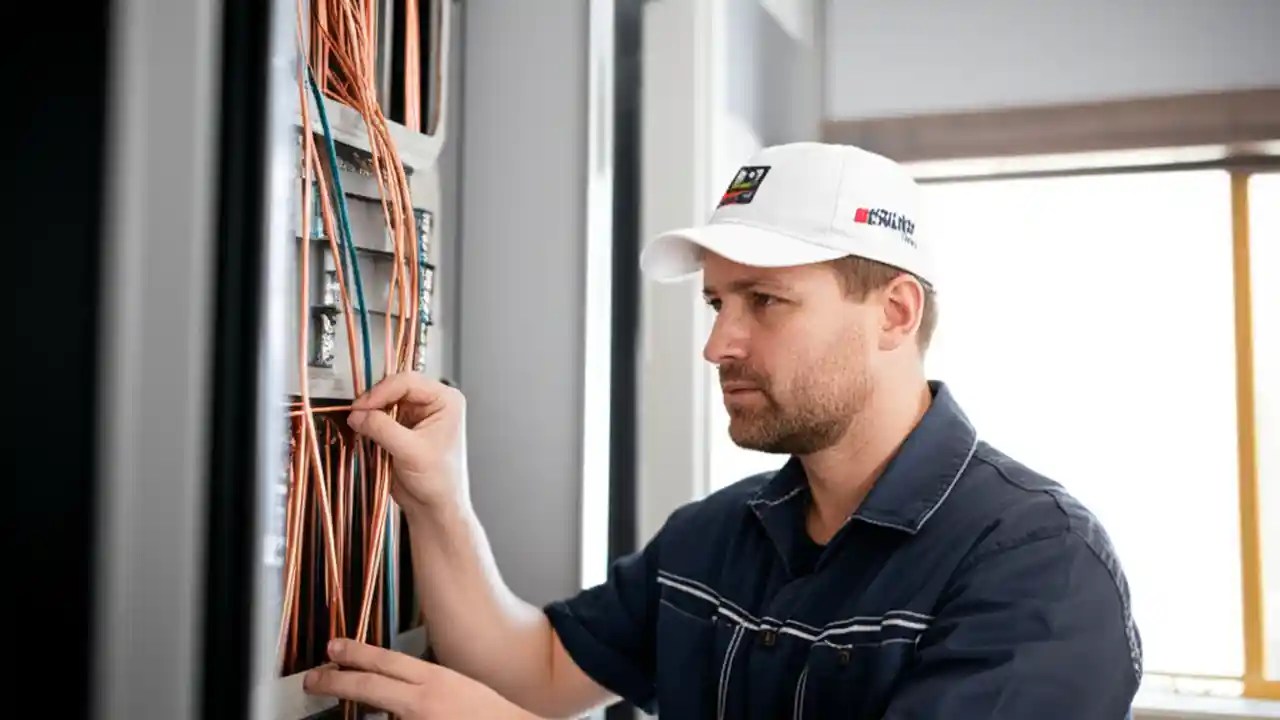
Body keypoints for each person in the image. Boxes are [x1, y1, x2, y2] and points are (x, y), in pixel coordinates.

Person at [302, 142, 1143, 718]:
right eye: (716, 302)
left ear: (894, 312)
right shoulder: (716, 538)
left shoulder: (1038, 565)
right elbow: (537, 675)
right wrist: (439, 502)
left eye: (765, 302)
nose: (717, 345)